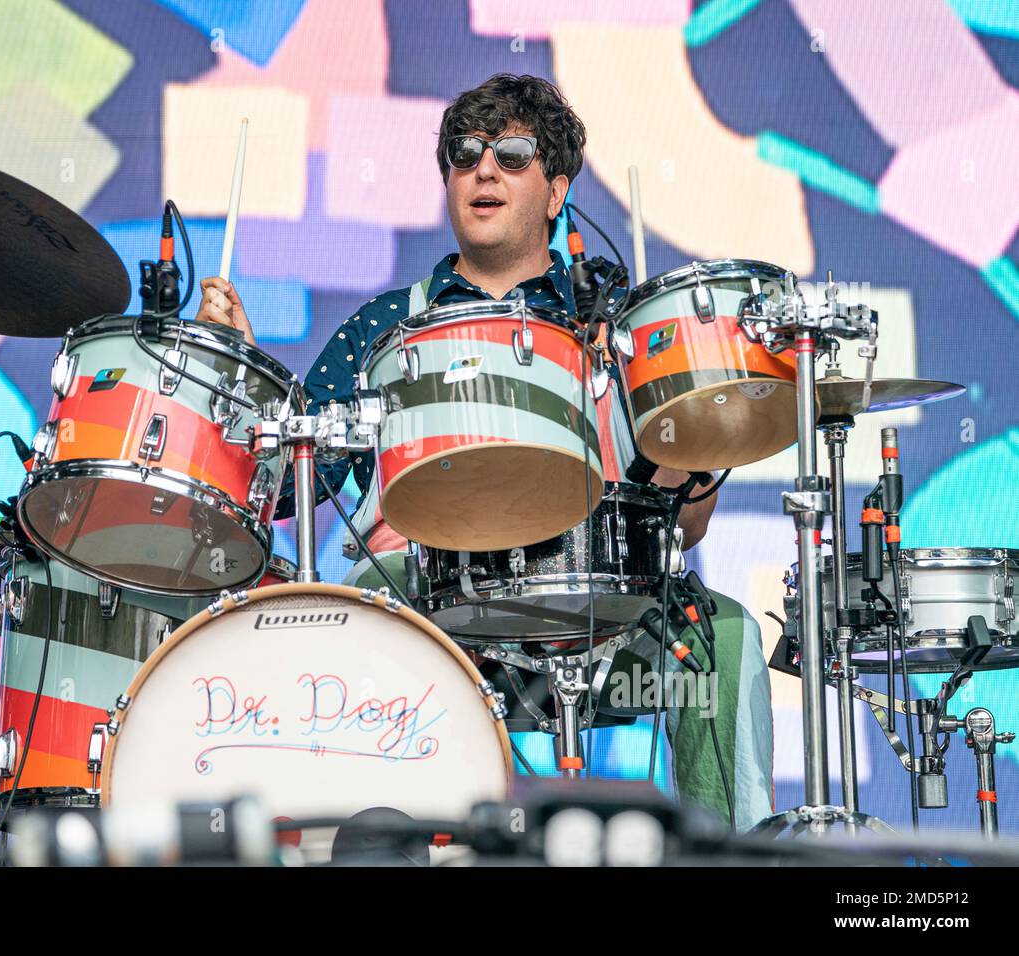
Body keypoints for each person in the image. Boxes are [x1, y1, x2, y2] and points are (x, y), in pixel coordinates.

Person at [193, 73, 773, 829]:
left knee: (724, 641)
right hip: (422, 593)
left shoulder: (616, 326)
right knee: (346, 624)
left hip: (592, 591)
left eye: (512, 153)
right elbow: (283, 493)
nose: (484, 168)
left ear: (557, 191)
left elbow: (683, 529)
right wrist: (240, 379)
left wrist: (688, 432)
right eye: (465, 154)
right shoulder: (383, 329)